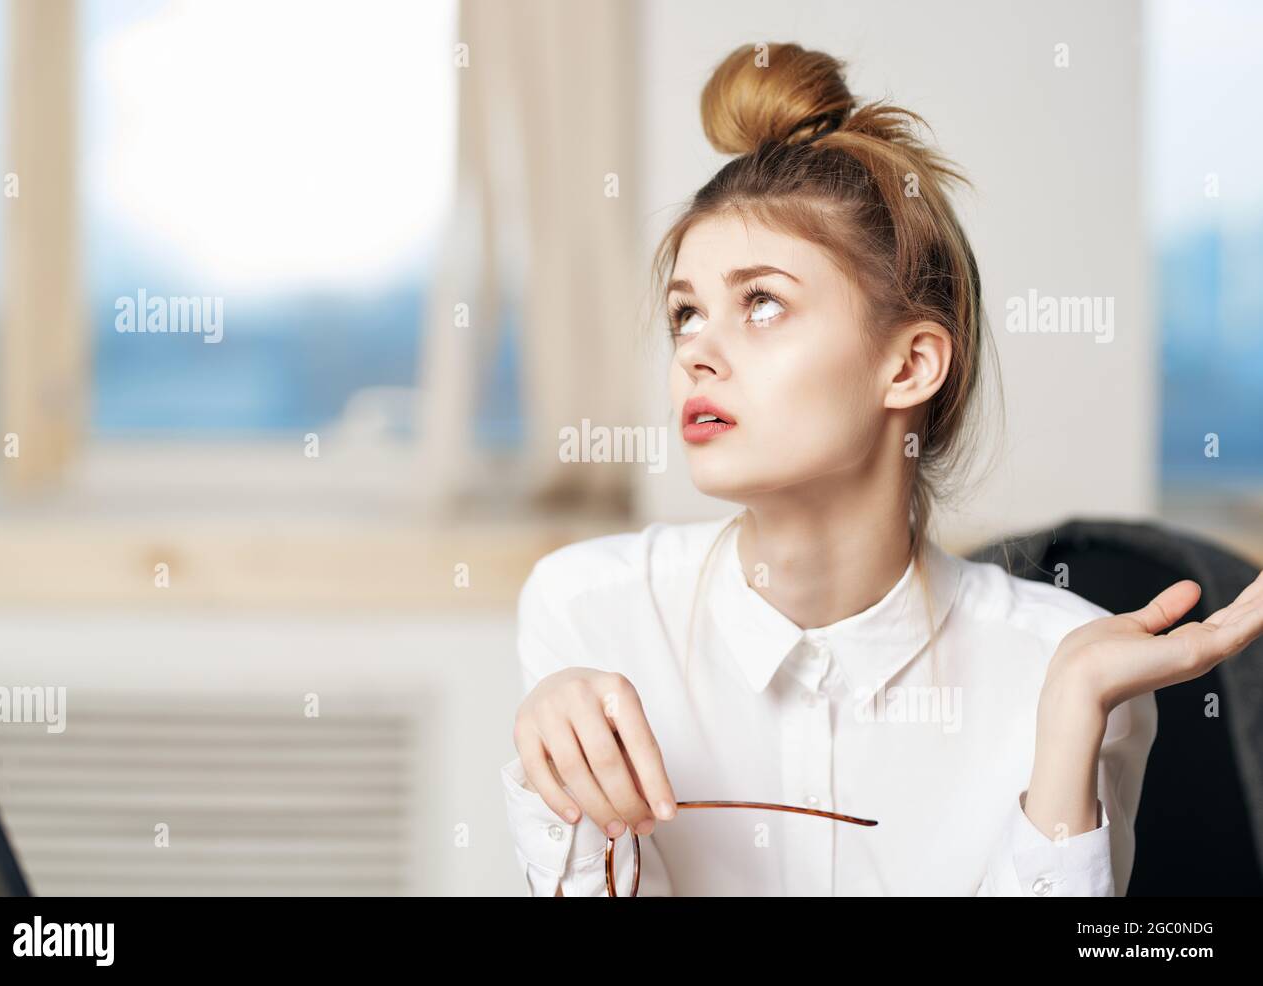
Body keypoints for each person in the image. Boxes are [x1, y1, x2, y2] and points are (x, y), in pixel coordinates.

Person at [499, 42, 1263, 896]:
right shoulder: (589, 611)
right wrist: (565, 803)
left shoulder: (1061, 661)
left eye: (761, 303)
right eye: (685, 313)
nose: (696, 355)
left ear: (908, 366)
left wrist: (1069, 721)